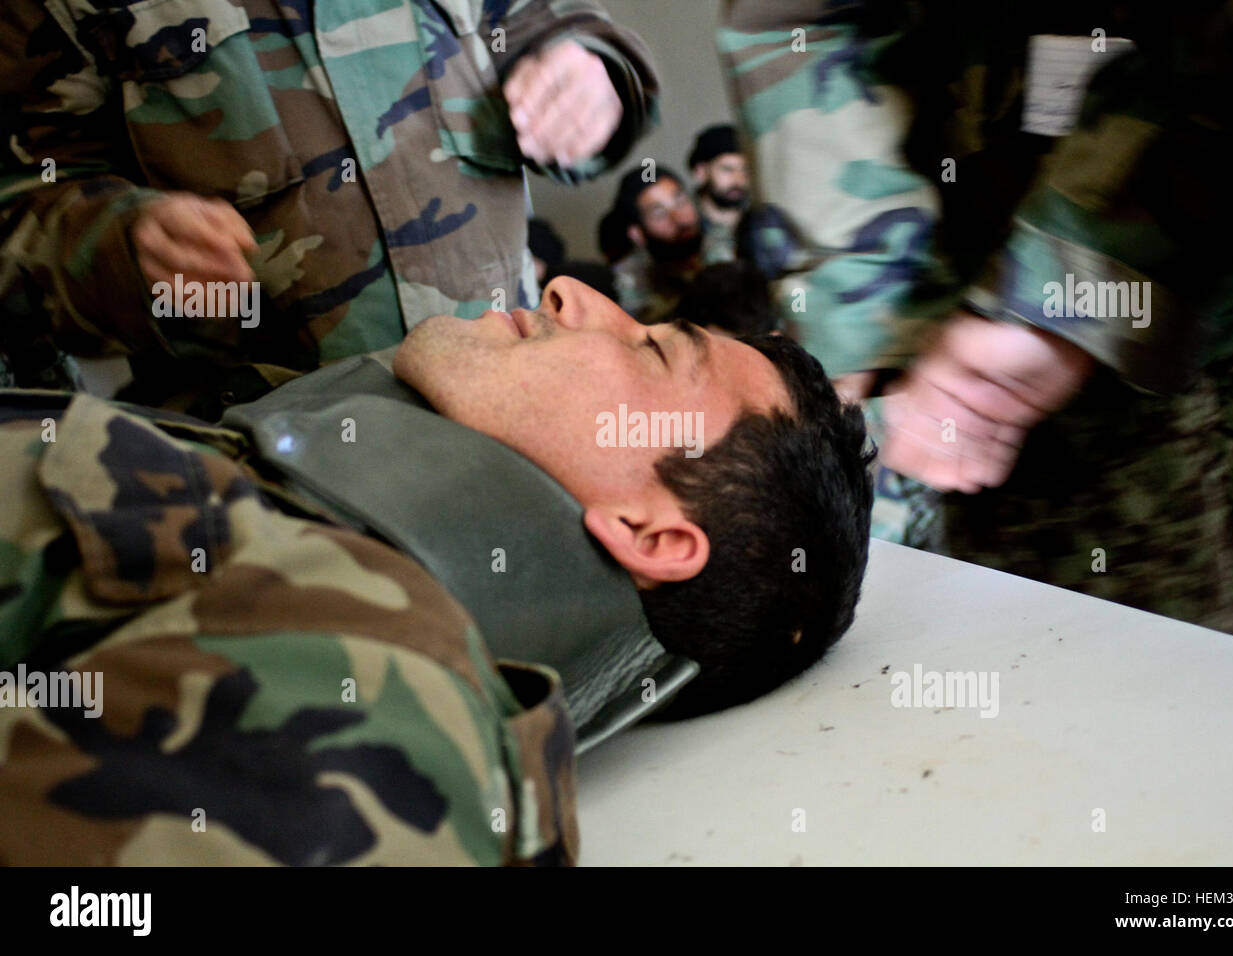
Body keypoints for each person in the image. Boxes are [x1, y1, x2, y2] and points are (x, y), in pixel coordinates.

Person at [0, 276, 875, 863]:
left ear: (653, 536)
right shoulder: (308, 544)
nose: (571, 290)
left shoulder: (373, 700)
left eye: (648, 347)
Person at [719, 0, 1233, 646]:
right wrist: (865, 315)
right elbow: (798, 19)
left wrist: (1073, 287)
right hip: (971, 336)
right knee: (1059, 673)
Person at [0, 0, 660, 418]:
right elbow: (27, 189)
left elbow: (550, 20)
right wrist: (115, 243)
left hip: (518, 421)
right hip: (272, 473)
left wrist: (592, 75)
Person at [609, 167, 703, 323]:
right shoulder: (626, 284)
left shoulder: (733, 248)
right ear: (637, 234)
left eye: (680, 202)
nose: (679, 218)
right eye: (659, 213)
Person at [687, 124, 750, 265]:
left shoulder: (761, 217)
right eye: (727, 169)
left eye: (745, 169)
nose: (738, 179)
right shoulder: (682, 224)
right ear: (701, 172)